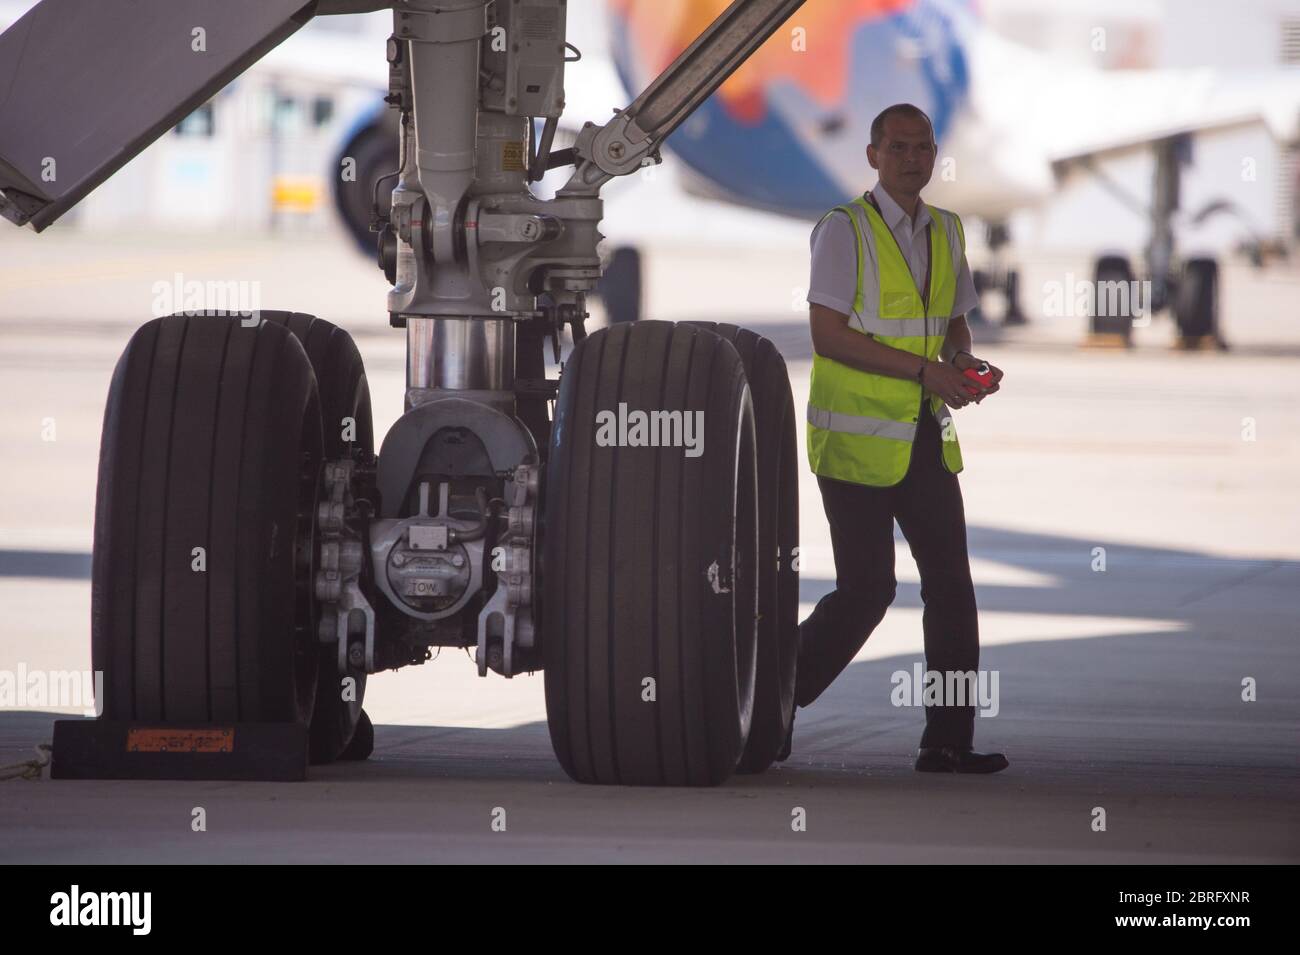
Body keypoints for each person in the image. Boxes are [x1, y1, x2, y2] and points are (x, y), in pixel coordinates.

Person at [783, 103, 1008, 773]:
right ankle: (768, 702)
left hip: (923, 438)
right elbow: (828, 335)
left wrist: (963, 364)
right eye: (899, 146)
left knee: (952, 587)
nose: (913, 157)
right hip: (855, 443)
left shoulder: (947, 229)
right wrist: (926, 370)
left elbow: (951, 321)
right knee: (866, 591)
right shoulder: (843, 231)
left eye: (922, 147)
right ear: (874, 155)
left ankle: (947, 741)